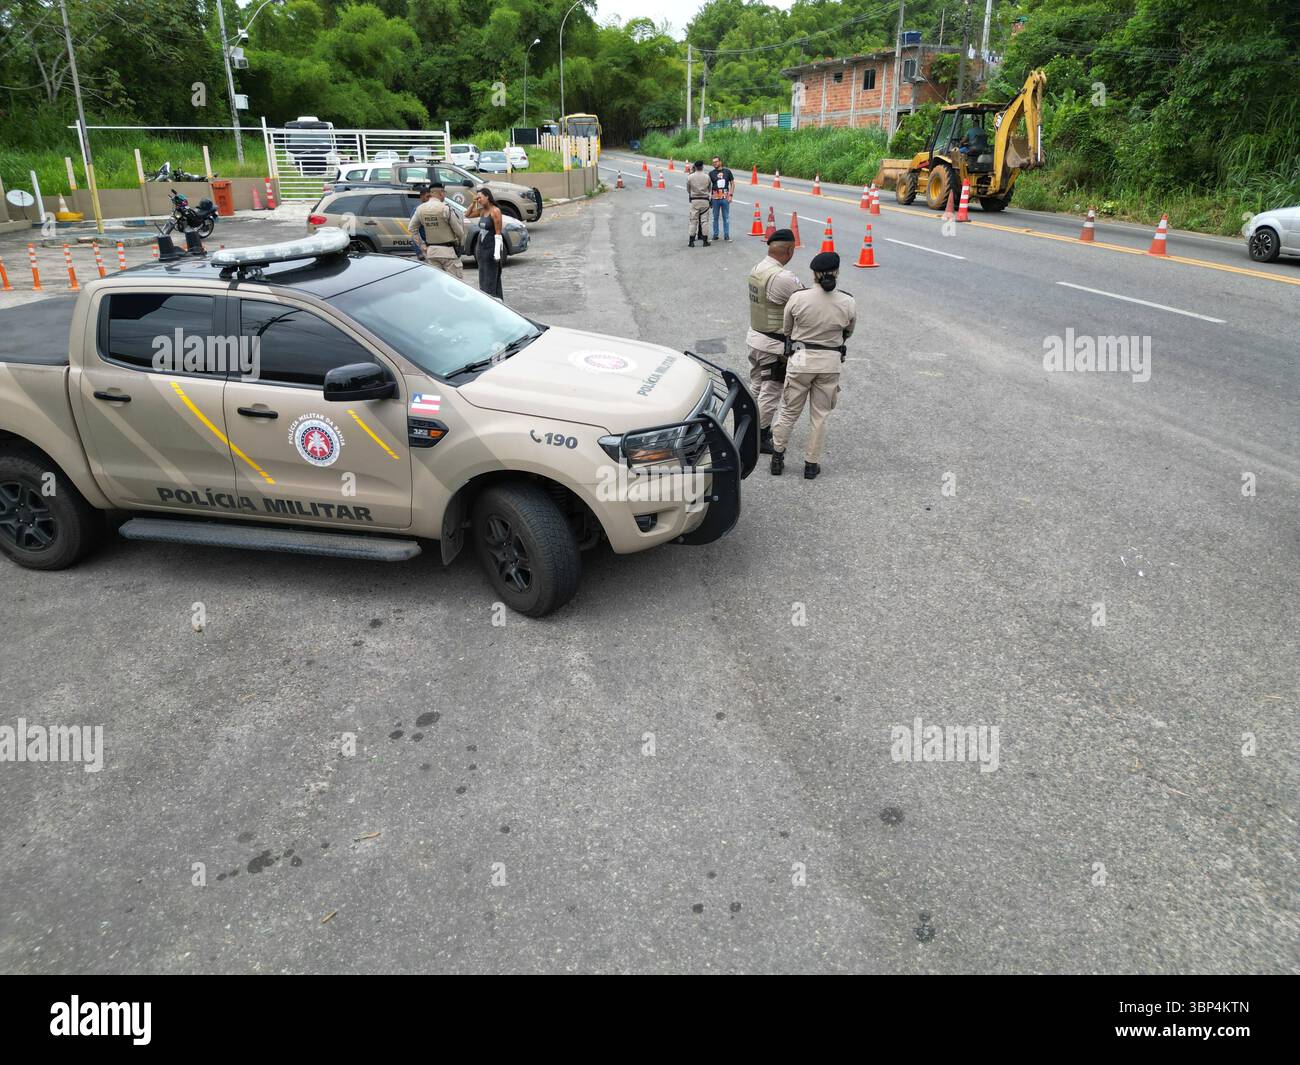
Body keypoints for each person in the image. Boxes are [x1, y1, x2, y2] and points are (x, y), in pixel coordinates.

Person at [770, 250, 856, 480]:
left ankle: (777, 457)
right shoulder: (848, 301)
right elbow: (848, 332)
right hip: (829, 363)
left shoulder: (798, 298)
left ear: (813, 273)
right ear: (837, 272)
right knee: (819, 417)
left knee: (788, 411)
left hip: (800, 360)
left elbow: (787, 330)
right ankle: (811, 464)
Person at [745, 228, 803, 453]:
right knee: (771, 391)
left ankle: (748, 425)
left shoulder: (758, 268)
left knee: (757, 386)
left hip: (755, 337)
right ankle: (759, 438)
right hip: (773, 345)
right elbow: (803, 302)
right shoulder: (783, 277)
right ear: (789, 250)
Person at [410, 182, 466, 280]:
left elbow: (412, 229)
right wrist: (459, 245)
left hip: (431, 252)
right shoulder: (445, 208)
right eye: (444, 192)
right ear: (440, 193)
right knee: (455, 284)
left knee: (437, 283)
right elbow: (459, 232)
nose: (444, 194)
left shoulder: (420, 209)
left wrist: (422, 246)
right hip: (448, 252)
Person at [466, 186, 505, 298]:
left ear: (487, 197)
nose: (479, 200)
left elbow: (498, 233)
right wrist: (473, 203)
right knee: (483, 275)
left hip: (492, 248)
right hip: (481, 249)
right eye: (477, 198)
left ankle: (494, 298)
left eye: (480, 197)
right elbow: (467, 214)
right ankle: (486, 298)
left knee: (492, 277)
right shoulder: (482, 211)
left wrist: (497, 253)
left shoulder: (495, 211)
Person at [708, 155, 735, 241]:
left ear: (720, 162)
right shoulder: (711, 173)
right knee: (715, 217)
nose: (714, 164)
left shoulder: (727, 171)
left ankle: (726, 235)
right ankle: (715, 235)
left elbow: (732, 184)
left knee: (726, 217)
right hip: (715, 198)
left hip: (725, 198)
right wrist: (709, 198)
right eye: (713, 162)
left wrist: (731, 195)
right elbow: (708, 186)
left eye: (716, 162)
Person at [686, 161, 711, 247]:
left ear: (695, 167)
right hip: (705, 201)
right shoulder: (707, 177)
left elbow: (688, 189)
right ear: (702, 167)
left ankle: (691, 242)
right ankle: (705, 241)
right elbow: (709, 188)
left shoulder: (690, 177)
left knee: (693, 221)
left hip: (695, 201)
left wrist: (693, 193)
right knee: (704, 221)